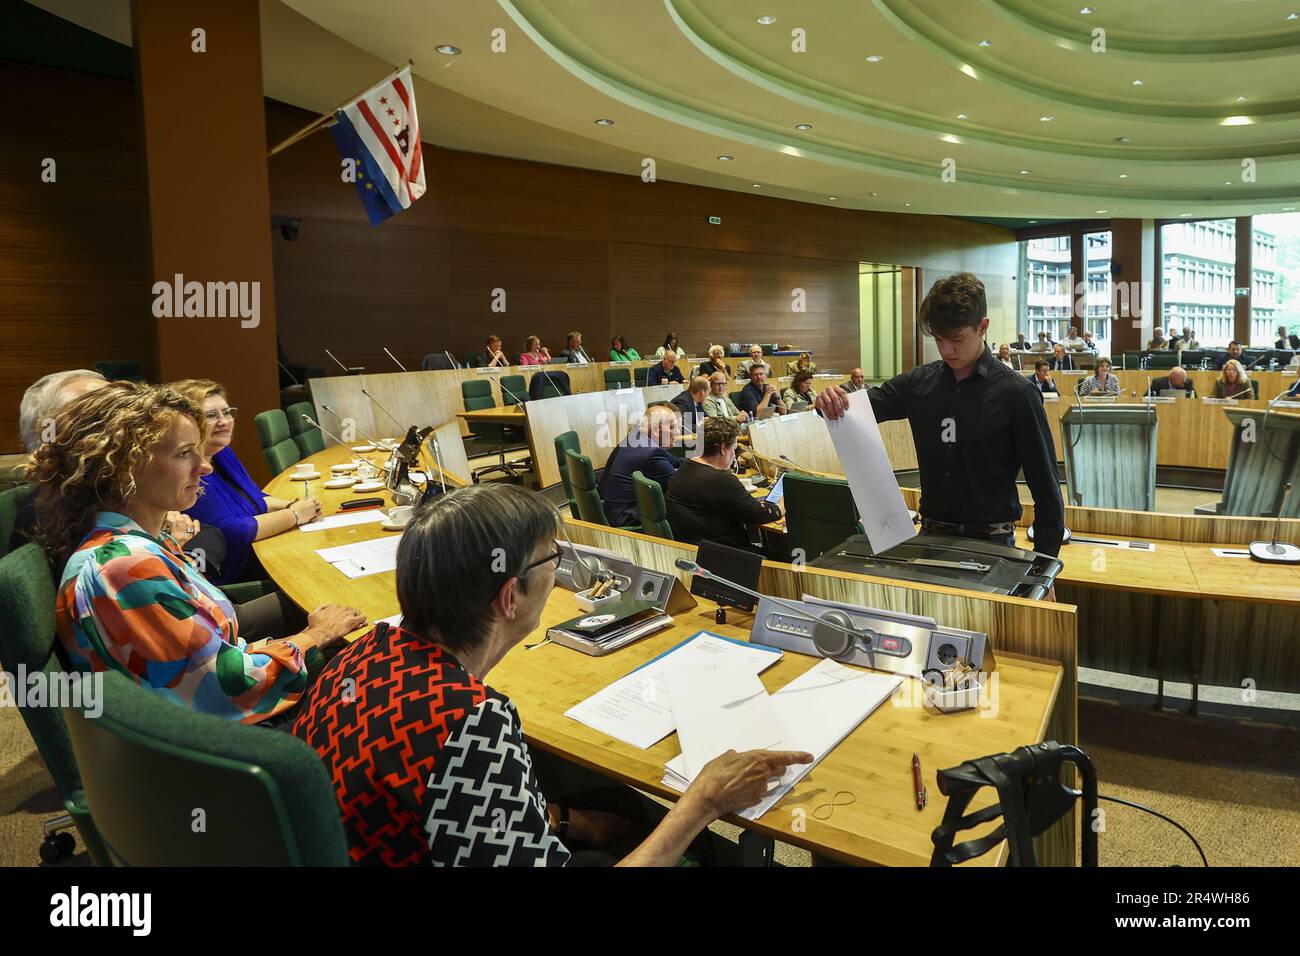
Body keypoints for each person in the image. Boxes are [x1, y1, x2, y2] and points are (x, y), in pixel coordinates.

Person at [291, 483, 810, 866]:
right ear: (509, 597)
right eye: (552, 560)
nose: (559, 571)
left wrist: (563, 821)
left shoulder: (359, 655)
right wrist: (705, 800)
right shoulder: (471, 721)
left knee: (611, 804)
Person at [30, 381, 363, 724]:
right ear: (124, 466)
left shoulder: (130, 541)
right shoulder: (125, 567)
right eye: (184, 453)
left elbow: (209, 656)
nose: (205, 467)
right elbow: (226, 689)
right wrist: (315, 636)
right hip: (224, 742)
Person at [814, 273, 1064, 567]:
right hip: (930, 539)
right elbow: (855, 408)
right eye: (938, 339)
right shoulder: (919, 383)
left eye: (956, 339)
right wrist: (830, 400)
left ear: (982, 327)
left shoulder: (1018, 394)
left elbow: (1047, 491)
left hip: (991, 546)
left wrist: (1044, 570)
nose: (946, 350)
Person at [173, 379, 323, 585]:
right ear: (189, 422)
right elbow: (234, 532)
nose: (224, 421)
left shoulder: (221, 452)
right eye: (211, 415)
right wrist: (295, 515)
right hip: (234, 575)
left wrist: (294, 505)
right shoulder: (191, 471)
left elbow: (254, 498)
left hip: (256, 556)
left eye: (227, 412)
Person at [666, 417, 783, 553]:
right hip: (724, 555)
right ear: (723, 448)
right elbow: (758, 515)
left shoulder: (685, 469)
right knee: (786, 559)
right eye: (733, 449)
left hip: (695, 550)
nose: (734, 455)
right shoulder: (720, 479)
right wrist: (781, 506)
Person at [598, 406, 683, 527]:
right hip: (626, 519)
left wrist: (697, 462)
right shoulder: (652, 453)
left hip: (613, 509)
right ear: (655, 429)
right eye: (672, 427)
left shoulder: (637, 436)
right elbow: (680, 488)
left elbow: (675, 462)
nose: (678, 432)